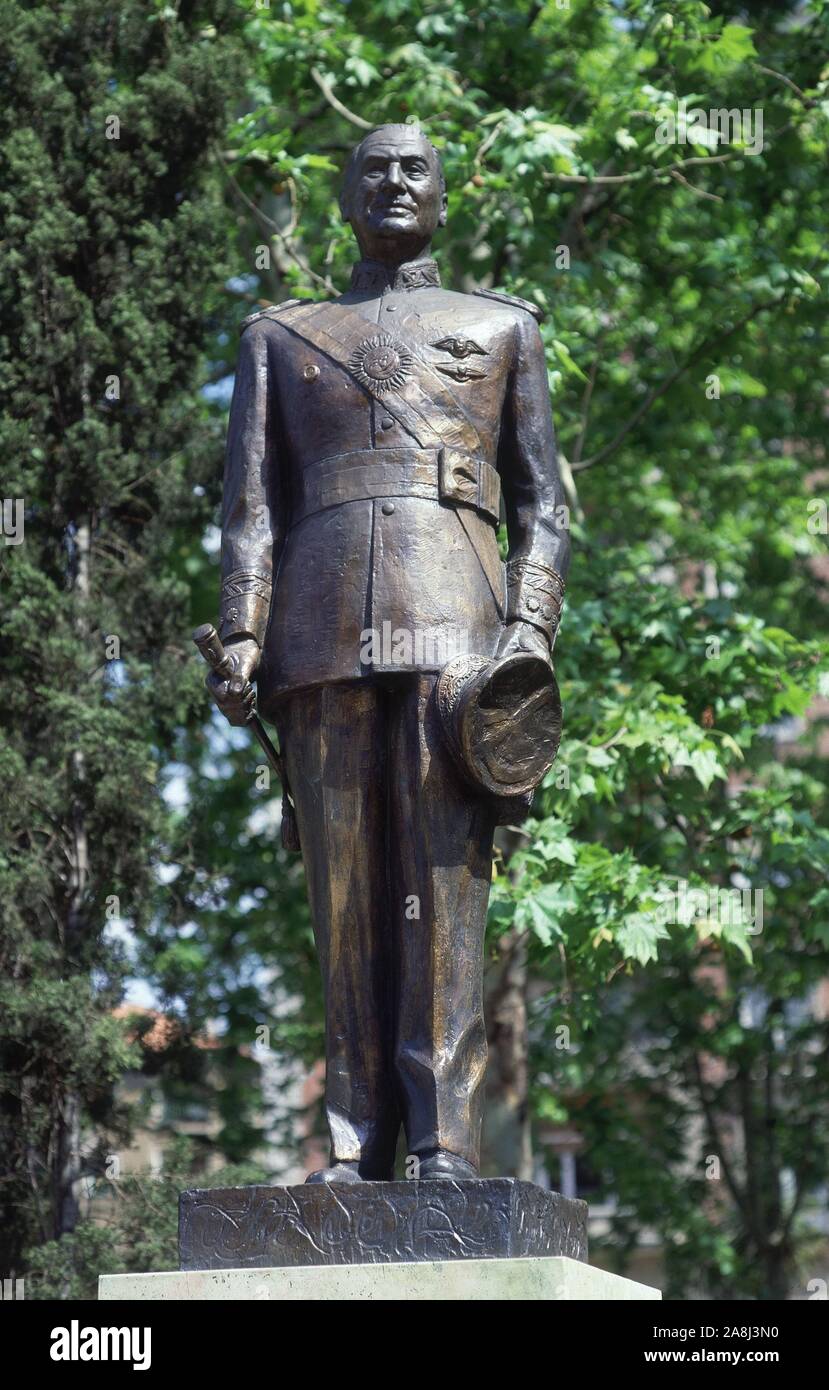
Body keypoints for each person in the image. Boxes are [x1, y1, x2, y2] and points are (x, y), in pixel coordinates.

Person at [208, 124, 570, 1182]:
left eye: (415, 168)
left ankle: (446, 1142)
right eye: (373, 167)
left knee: (442, 893)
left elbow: (546, 504)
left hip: (460, 636)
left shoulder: (501, 327)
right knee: (346, 898)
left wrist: (530, 632)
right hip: (317, 636)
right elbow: (249, 511)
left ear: (444, 197)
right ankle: (356, 1135)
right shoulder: (279, 335)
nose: (394, 182)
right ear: (346, 196)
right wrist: (240, 627)